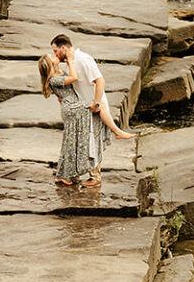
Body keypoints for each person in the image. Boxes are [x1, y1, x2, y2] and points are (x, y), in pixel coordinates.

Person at [50, 34, 133, 186]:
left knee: (93, 140)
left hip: (94, 105)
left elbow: (100, 80)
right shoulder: (71, 62)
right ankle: (83, 174)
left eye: (56, 51)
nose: (55, 55)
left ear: (63, 48)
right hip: (84, 106)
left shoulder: (83, 59)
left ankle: (95, 177)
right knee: (88, 140)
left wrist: (96, 103)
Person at [38, 51, 98, 187]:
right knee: (73, 142)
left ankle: (64, 174)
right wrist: (70, 60)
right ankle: (68, 174)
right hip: (73, 108)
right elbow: (74, 77)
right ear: (50, 64)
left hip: (71, 107)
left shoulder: (57, 74)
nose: (55, 56)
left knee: (70, 141)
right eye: (52, 57)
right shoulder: (54, 79)